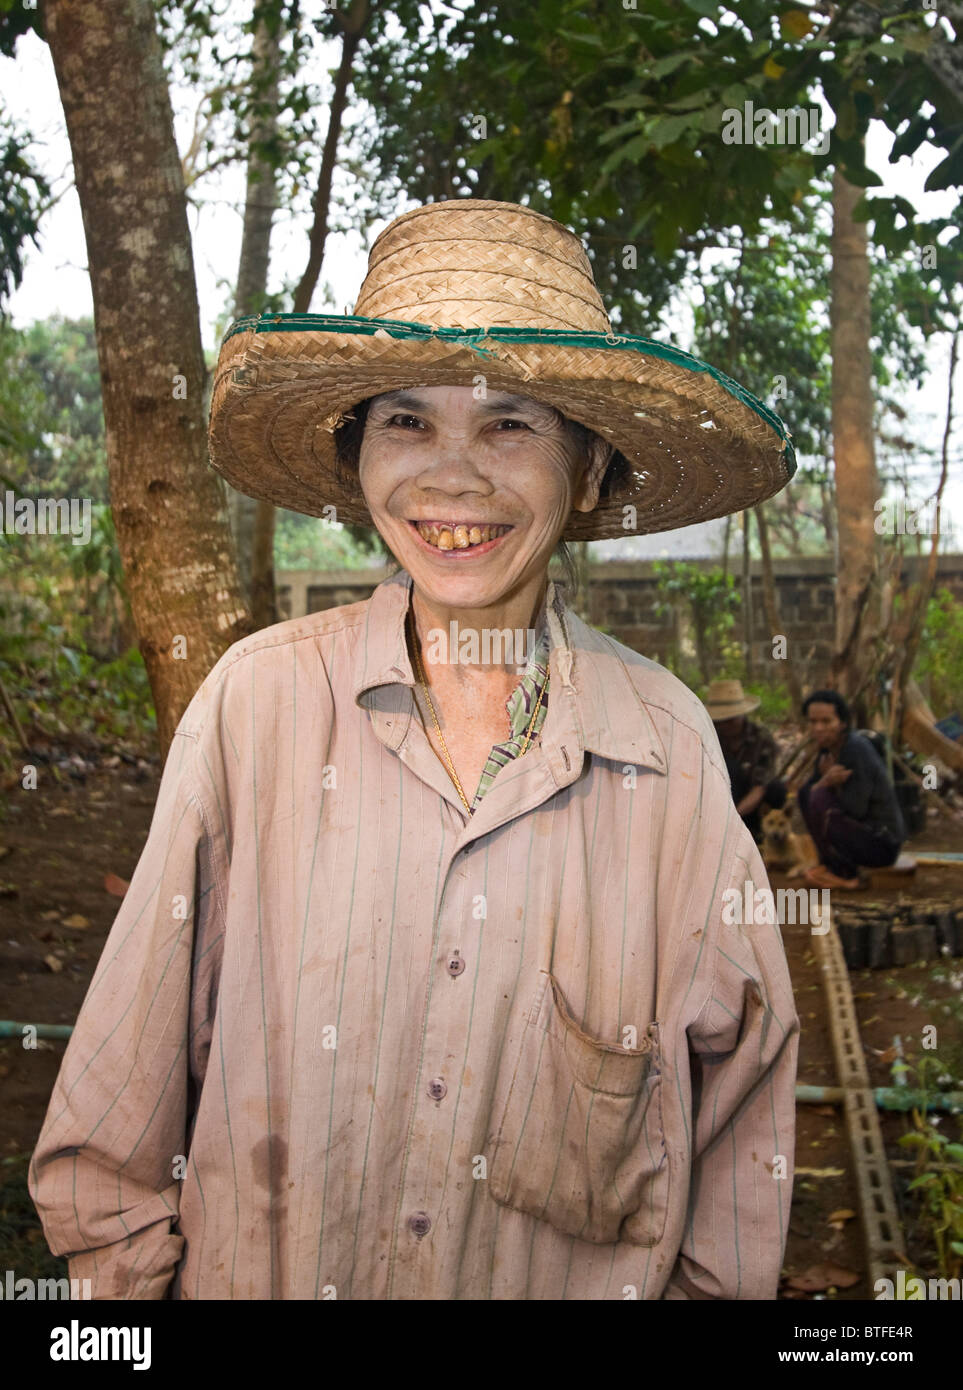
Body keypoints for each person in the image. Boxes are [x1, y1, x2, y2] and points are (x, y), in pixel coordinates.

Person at [29, 198, 799, 1300]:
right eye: (405, 421)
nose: (453, 478)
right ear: (355, 464)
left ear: (587, 475)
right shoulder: (258, 708)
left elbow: (739, 1151)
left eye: (510, 425)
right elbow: (113, 1141)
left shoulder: (668, 756)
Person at [798, 689, 906, 890]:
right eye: (813, 722)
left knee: (818, 796)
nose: (818, 728)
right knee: (806, 793)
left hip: (882, 846)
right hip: (859, 838)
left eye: (826, 721)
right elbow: (810, 793)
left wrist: (827, 784)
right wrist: (826, 781)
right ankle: (831, 865)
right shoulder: (827, 749)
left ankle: (848, 877)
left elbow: (856, 809)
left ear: (843, 723)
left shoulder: (856, 750)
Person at [704, 679, 788, 843]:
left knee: (776, 788)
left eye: (731, 719)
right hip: (718, 799)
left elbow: (760, 787)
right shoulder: (708, 736)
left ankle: (762, 833)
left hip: (751, 804)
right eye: (722, 721)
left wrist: (734, 817)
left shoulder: (761, 738)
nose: (726, 725)